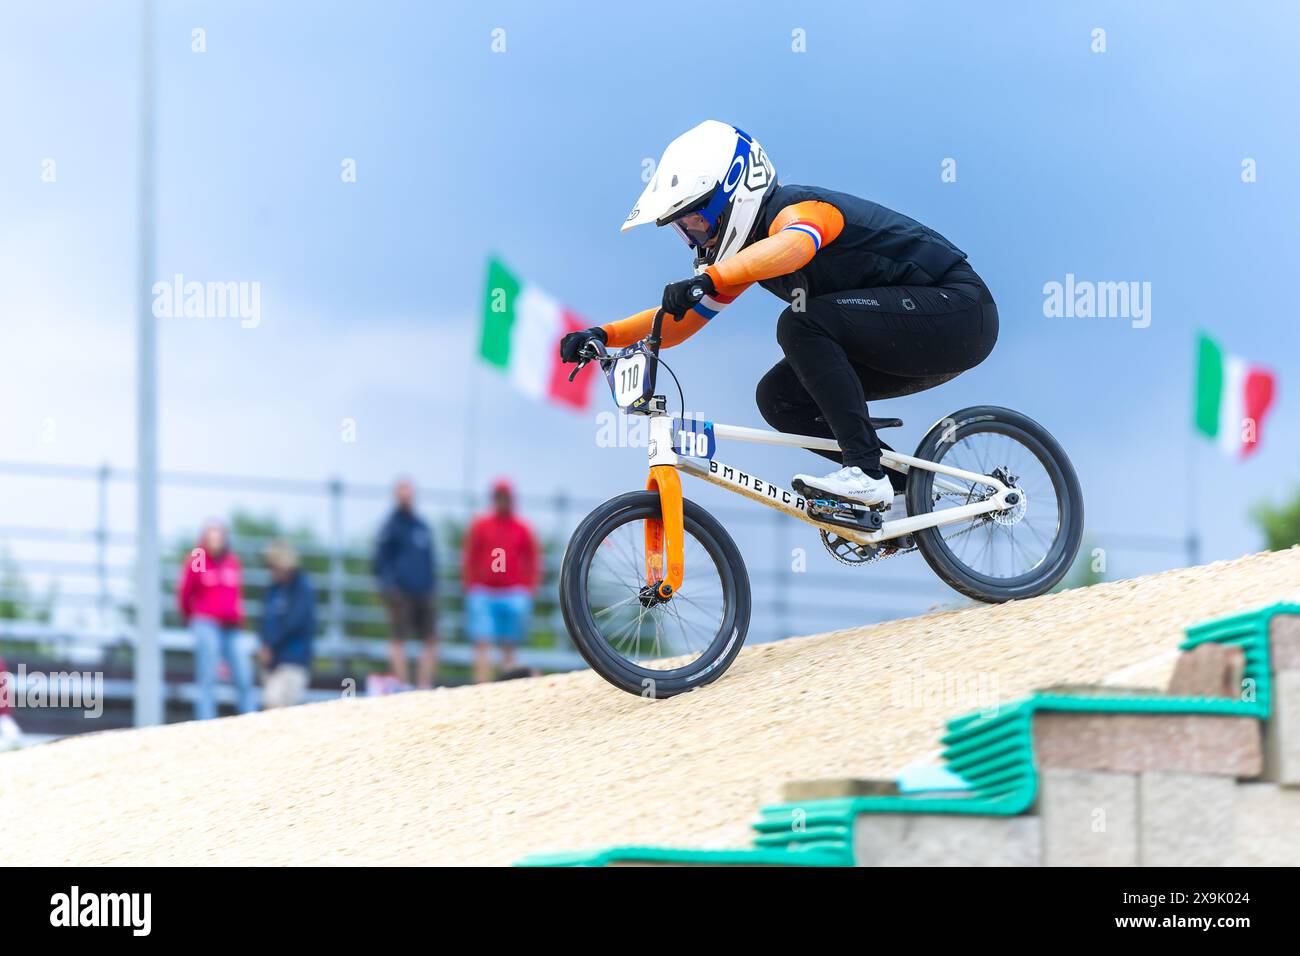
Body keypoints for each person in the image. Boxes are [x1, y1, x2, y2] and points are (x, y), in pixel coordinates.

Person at [560, 120, 998, 507]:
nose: (695, 239)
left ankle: (865, 473)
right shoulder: (750, 256)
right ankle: (903, 488)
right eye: (684, 230)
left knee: (801, 323)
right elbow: (677, 325)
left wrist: (710, 279)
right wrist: (604, 333)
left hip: (958, 312)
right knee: (777, 398)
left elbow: (797, 245)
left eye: (697, 221)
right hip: (906, 339)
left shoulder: (797, 209)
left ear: (734, 193)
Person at [461, 478, 541, 683]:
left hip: (511, 591)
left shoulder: (521, 527)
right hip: (484, 591)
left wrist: (528, 587)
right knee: (482, 642)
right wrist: (471, 584)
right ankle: (481, 686)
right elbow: (470, 555)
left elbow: (532, 558)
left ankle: (507, 685)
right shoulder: (481, 525)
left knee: (510, 643)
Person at [177, 520, 255, 719]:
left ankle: (251, 721)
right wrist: (189, 617)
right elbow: (185, 591)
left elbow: (238, 594)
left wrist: (240, 618)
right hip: (206, 623)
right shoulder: (199, 557)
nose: (215, 541)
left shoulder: (232, 560)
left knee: (244, 676)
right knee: (208, 678)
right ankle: (206, 724)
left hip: (231, 627)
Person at [373, 478, 438, 688]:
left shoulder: (421, 526)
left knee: (430, 638)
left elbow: (429, 558)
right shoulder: (390, 526)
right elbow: (380, 560)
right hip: (400, 592)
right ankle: (403, 686)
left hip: (424, 591)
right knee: (398, 638)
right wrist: (389, 587)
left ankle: (423, 686)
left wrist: (431, 585)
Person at [258, 540, 316, 709]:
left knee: (275, 704)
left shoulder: (302, 588)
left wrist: (271, 645)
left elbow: (294, 623)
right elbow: (264, 620)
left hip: (293, 660)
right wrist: (264, 645)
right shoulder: (274, 588)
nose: (271, 571)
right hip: (273, 661)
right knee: (272, 706)